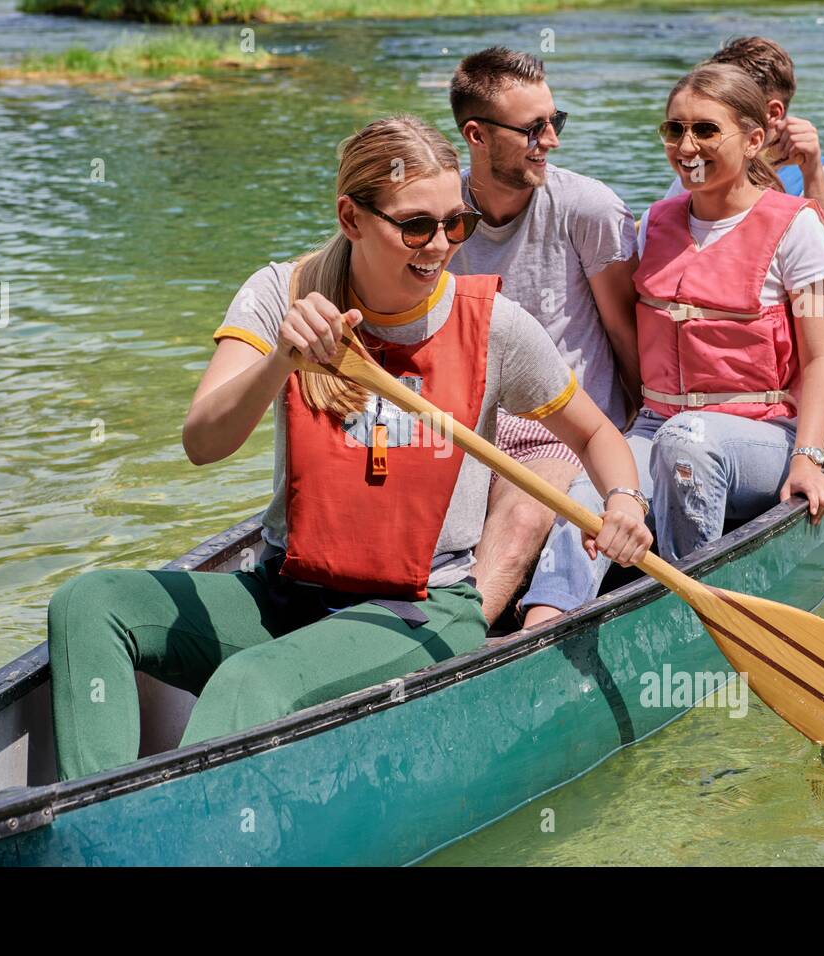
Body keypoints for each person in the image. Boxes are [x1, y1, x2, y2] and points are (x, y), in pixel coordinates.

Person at [46, 115, 652, 781]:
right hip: (287, 594)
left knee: (250, 684)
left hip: (426, 609)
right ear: (351, 216)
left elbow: (596, 434)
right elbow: (202, 443)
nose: (441, 245)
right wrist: (281, 358)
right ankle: (84, 817)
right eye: (416, 226)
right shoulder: (282, 293)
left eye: (457, 223)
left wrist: (624, 501)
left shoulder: (495, 326)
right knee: (88, 603)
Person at [520, 64, 824, 627]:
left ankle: (681, 614)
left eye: (706, 131)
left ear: (755, 138)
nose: (686, 146)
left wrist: (808, 458)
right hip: (657, 424)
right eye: (674, 130)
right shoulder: (654, 224)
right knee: (587, 498)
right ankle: (538, 629)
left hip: (758, 436)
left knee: (687, 442)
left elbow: (819, 361)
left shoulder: (798, 227)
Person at [446, 47, 641, 627]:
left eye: (557, 121)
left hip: (565, 427)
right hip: (467, 424)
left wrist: (629, 450)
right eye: (533, 129)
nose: (551, 140)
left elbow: (624, 332)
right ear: (476, 135)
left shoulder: (589, 208)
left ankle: (454, 644)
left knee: (529, 510)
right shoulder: (435, 214)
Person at [665, 36, 824, 453]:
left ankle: (815, 459)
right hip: (739, 322)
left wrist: (810, 171)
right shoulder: (699, 170)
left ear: (772, 113)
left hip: (807, 324)